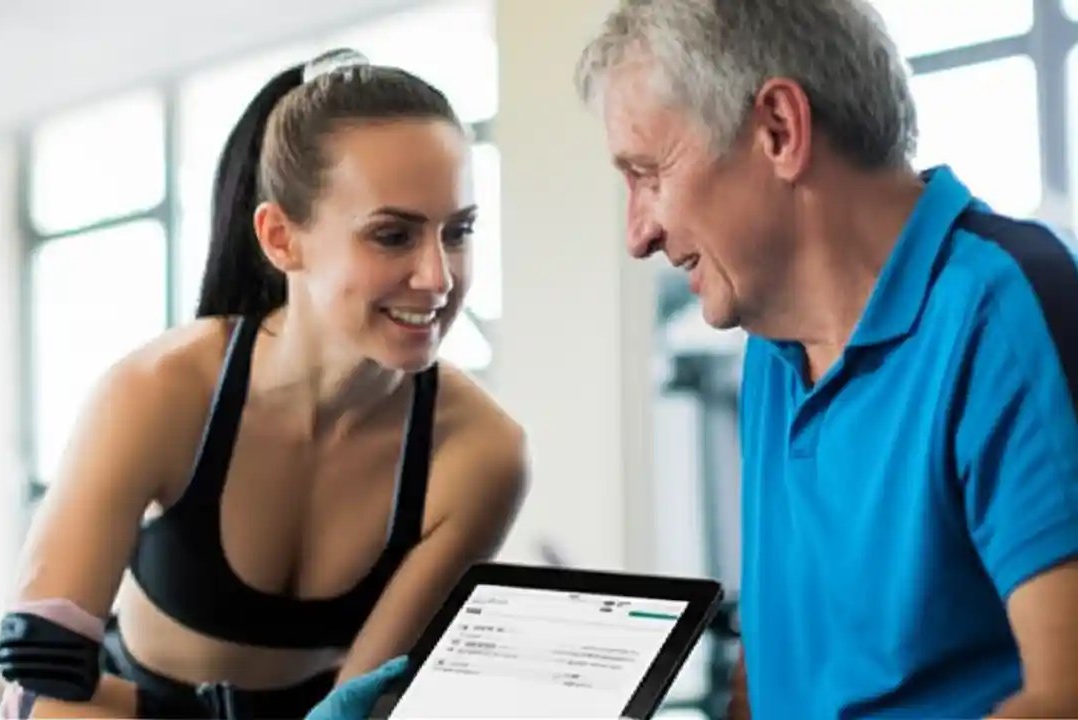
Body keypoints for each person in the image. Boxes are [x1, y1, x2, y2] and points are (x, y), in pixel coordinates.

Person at [321, 0, 1078, 717]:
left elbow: (1066, 696)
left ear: (779, 129)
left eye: (648, 174)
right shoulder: (774, 350)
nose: (638, 234)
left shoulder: (1002, 306)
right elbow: (787, 670)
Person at [0, 48, 528, 719]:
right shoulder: (157, 394)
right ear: (281, 238)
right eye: (392, 236)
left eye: (459, 232)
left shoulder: (481, 453)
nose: (438, 277)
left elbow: (358, 705)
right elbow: (40, 680)